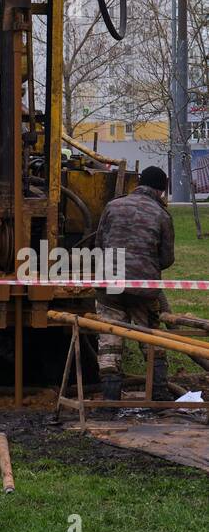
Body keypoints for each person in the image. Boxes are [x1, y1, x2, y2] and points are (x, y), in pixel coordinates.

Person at [94, 166, 175, 402]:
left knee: (109, 342)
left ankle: (110, 401)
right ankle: (158, 395)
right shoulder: (161, 214)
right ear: (161, 190)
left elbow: (99, 244)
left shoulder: (112, 206)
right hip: (144, 290)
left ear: (139, 183)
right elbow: (167, 258)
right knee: (151, 340)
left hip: (110, 286)